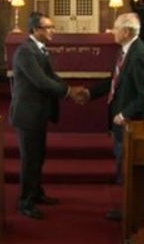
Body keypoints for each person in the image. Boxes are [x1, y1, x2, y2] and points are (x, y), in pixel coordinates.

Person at [9, 11, 86, 219]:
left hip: (38, 113)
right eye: (49, 27)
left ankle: (37, 193)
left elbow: (50, 76)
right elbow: (40, 81)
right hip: (27, 114)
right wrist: (70, 93)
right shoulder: (26, 51)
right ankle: (25, 201)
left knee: (39, 156)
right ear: (36, 30)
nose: (53, 30)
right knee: (30, 159)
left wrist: (69, 88)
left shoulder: (40, 49)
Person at [81, 12, 144, 221]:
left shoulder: (139, 55)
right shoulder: (124, 51)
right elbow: (115, 81)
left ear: (125, 31)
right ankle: (128, 208)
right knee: (122, 166)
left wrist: (124, 113)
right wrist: (90, 93)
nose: (112, 32)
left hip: (132, 124)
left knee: (127, 169)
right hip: (121, 124)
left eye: (115, 28)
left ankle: (130, 212)